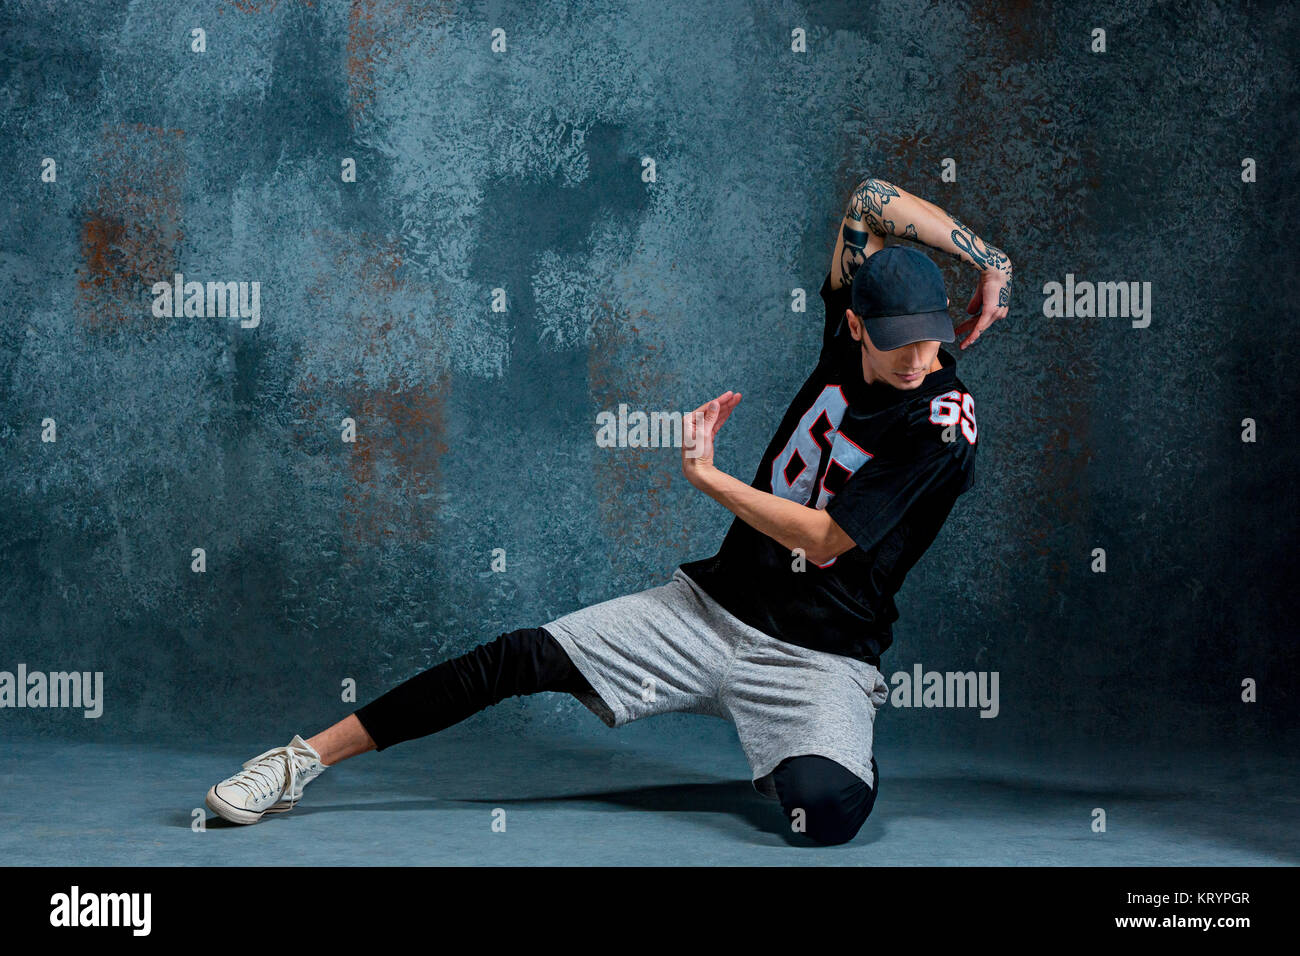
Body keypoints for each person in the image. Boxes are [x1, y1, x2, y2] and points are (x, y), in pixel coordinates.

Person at [204, 178, 1012, 846]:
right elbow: (871, 199)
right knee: (521, 656)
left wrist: (707, 477)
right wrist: (987, 255)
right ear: (855, 324)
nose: (918, 358)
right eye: (898, 339)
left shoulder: (944, 422)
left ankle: (827, 738)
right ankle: (299, 761)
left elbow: (829, 536)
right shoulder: (848, 339)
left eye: (931, 339)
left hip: (818, 656)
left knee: (824, 812)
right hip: (712, 610)